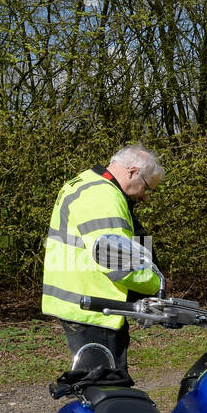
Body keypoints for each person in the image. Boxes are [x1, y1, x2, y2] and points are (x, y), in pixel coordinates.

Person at [42, 146, 165, 372]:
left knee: (93, 386)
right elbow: (117, 262)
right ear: (132, 172)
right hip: (96, 307)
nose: (145, 197)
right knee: (107, 390)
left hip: (81, 301)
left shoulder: (85, 182)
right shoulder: (103, 196)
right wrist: (156, 286)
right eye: (146, 187)